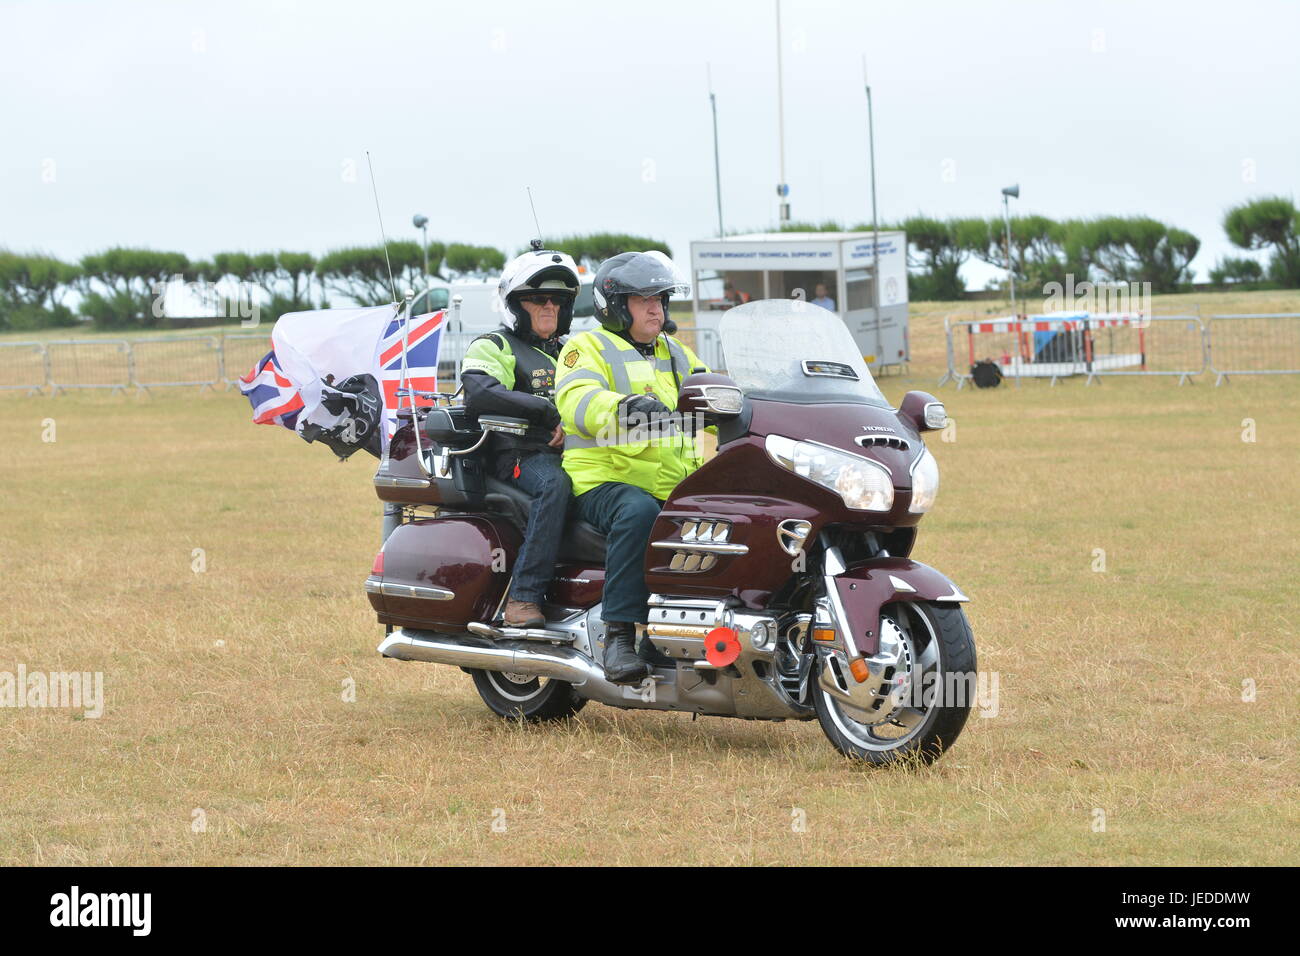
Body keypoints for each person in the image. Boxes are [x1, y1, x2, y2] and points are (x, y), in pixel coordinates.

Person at [555, 252, 710, 683]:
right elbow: (576, 399)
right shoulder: (586, 347)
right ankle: (618, 635)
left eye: (660, 298)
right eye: (642, 299)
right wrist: (622, 406)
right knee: (638, 512)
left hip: (672, 483)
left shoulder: (677, 352)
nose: (656, 308)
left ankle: (670, 636)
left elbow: (713, 392)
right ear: (615, 305)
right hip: (602, 480)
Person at [459, 246, 580, 627]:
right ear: (514, 304)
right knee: (554, 486)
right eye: (536, 299)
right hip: (520, 456)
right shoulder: (495, 345)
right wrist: (545, 411)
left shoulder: (571, 352)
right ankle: (524, 597)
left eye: (557, 300)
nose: (549, 307)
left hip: (575, 451)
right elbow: (479, 391)